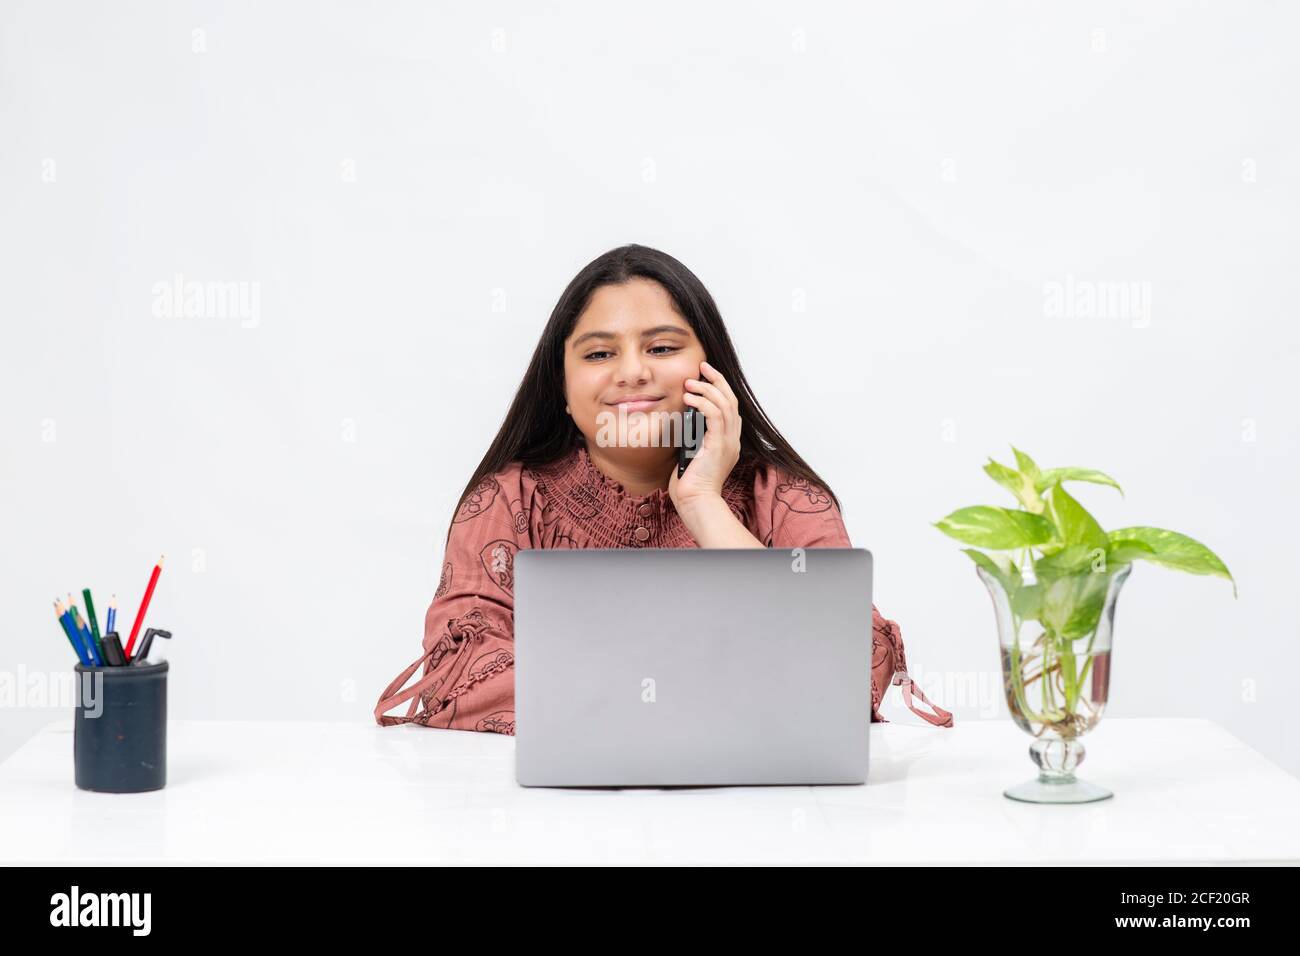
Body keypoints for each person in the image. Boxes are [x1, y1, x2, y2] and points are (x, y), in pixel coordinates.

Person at [374, 244, 952, 734]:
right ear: (563, 385)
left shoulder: (783, 495)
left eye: (662, 348)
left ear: (711, 368)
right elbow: (456, 671)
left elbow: (853, 663)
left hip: (759, 813)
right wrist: (691, 686)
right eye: (600, 353)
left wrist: (703, 504)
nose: (632, 373)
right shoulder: (508, 498)